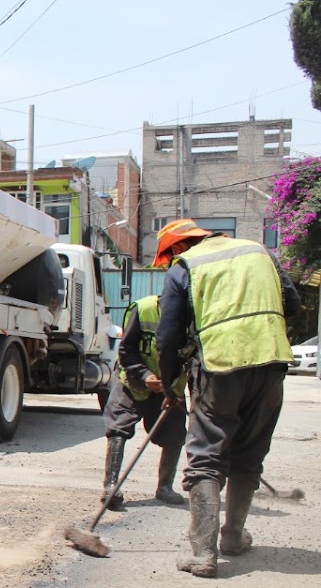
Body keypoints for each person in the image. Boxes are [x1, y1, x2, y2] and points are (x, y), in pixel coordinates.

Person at [154, 219, 300, 578]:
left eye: (169, 255)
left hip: (219, 368)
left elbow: (168, 334)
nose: (170, 260)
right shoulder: (260, 252)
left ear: (177, 247)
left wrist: (172, 381)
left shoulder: (186, 267)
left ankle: (203, 554)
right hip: (270, 364)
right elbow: (292, 305)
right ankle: (232, 537)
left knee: (206, 457)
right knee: (248, 454)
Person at [100, 294, 188, 510]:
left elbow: (191, 357)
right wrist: (145, 376)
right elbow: (126, 351)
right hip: (133, 384)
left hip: (170, 388)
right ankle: (110, 487)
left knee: (175, 435)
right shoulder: (143, 310)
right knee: (118, 429)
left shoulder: (191, 317)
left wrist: (173, 387)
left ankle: (165, 487)